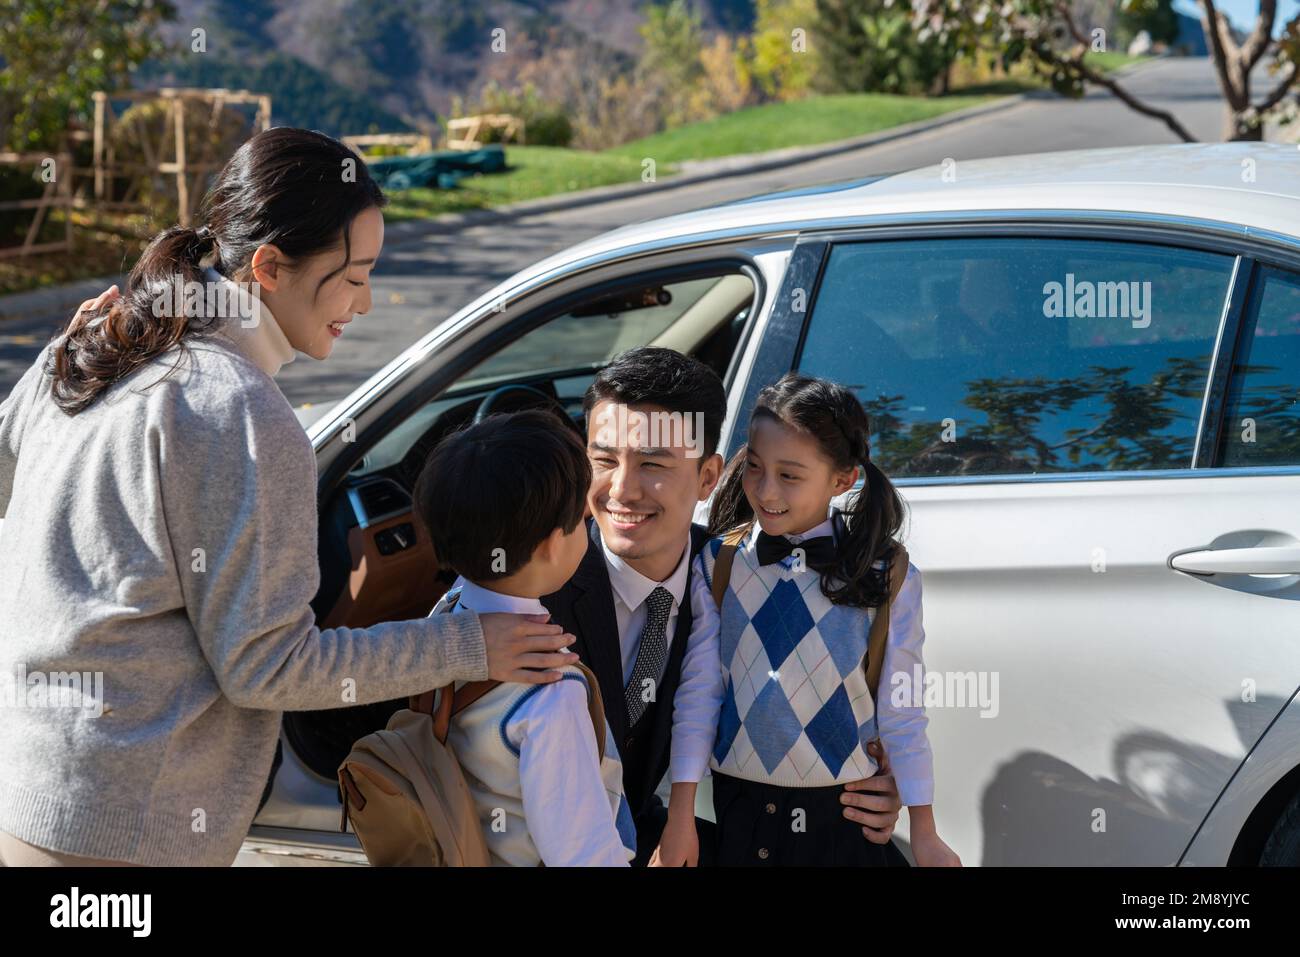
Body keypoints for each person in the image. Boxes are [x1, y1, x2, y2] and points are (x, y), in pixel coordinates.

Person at [0, 128, 576, 868]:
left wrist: (59, 358)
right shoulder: (240, 409)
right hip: (128, 837)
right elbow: (266, 666)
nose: (365, 302)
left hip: (31, 797)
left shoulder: (91, 346)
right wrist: (469, 646)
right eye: (353, 276)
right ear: (268, 267)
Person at [541, 347, 905, 866]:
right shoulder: (535, 577)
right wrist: (470, 645)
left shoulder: (732, 574)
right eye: (603, 460)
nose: (621, 490)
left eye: (653, 464)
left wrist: (868, 781)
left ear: (708, 477)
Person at [701, 372, 961, 866]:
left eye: (790, 475)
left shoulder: (887, 575)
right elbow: (700, 692)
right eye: (754, 467)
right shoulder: (720, 563)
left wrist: (924, 830)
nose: (765, 489)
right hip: (737, 807)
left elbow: (902, 711)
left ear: (843, 480)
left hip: (842, 818)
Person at [415, 410, 636, 866]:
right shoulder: (551, 688)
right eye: (580, 521)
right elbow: (582, 853)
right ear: (553, 544)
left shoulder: (443, 618)